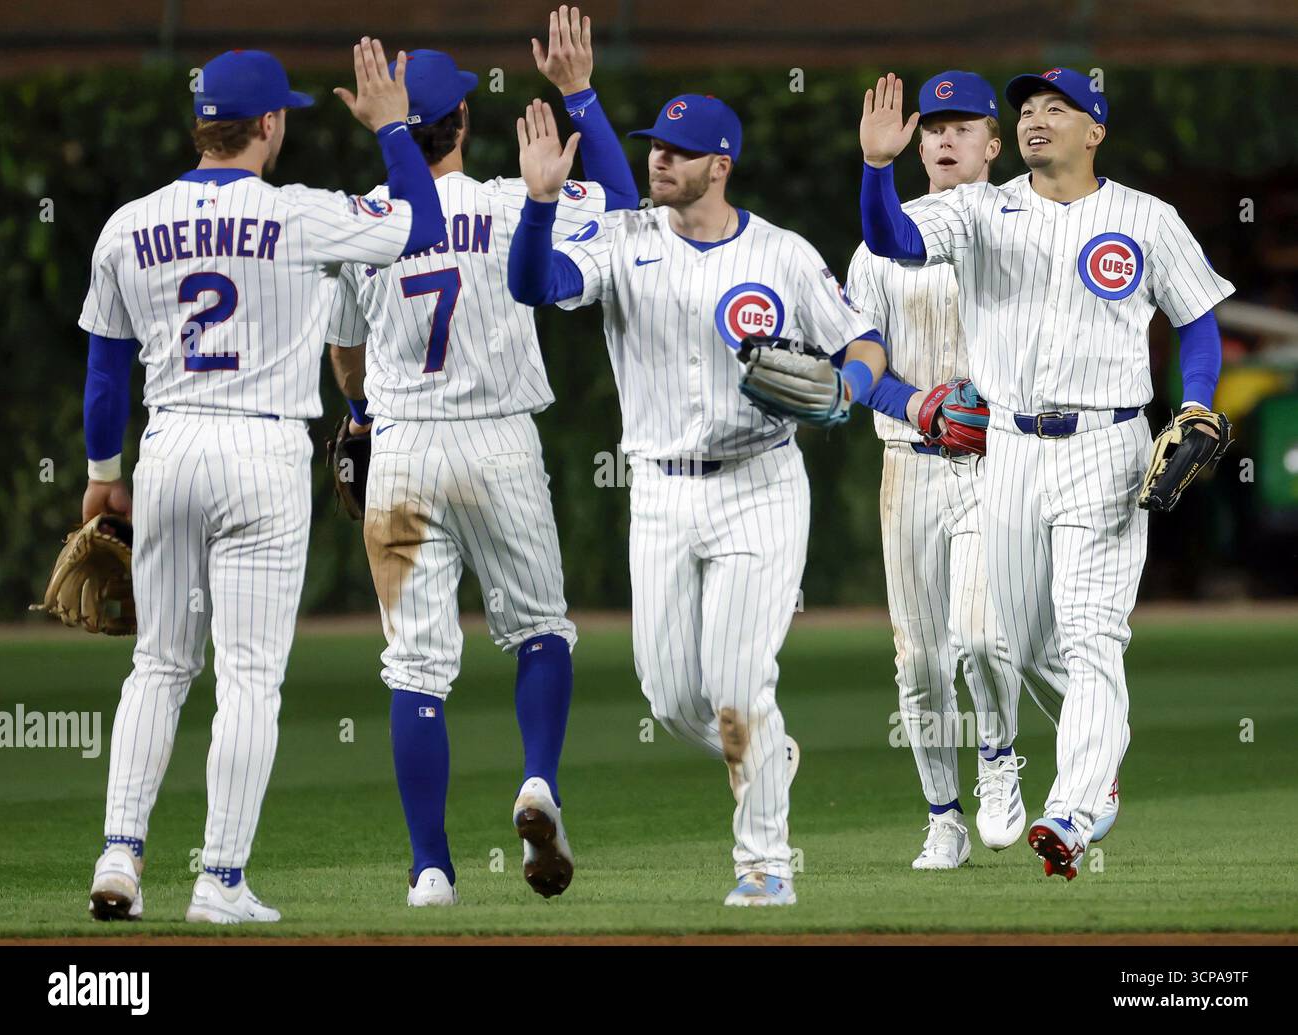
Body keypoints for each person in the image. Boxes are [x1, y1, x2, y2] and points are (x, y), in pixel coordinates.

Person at [82, 40, 447, 922]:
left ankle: (120, 858)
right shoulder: (301, 214)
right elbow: (424, 228)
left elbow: (102, 377)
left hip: (167, 446)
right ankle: (220, 880)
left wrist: (102, 479)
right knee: (247, 675)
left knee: (159, 663)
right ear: (271, 124)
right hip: (263, 452)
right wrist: (395, 128)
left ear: (200, 125)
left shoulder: (128, 224)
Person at [509, 93, 888, 905]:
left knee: (740, 687)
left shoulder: (782, 254)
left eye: (679, 151)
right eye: (654, 147)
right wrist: (540, 205)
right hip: (659, 492)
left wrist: (850, 387)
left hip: (759, 484)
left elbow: (863, 337)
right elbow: (534, 285)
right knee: (671, 694)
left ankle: (765, 864)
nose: (659, 160)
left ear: (721, 164)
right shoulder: (623, 240)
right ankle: (769, 756)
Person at [858, 68, 1233, 878]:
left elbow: (1198, 315)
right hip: (1012, 446)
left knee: (1094, 631)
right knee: (1015, 642)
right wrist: (879, 168)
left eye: (1055, 109)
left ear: (1094, 130)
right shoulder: (979, 209)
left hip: (1107, 441)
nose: (1034, 120)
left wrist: (1196, 402)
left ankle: (1072, 807)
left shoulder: (1144, 219)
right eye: (1026, 109)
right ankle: (1099, 764)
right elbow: (894, 241)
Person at [325, 8, 638, 906]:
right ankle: (538, 776)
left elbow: (345, 350)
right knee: (541, 631)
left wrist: (356, 417)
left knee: (416, 669)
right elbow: (623, 210)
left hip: (405, 450)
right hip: (501, 442)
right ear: (462, 123)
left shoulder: (365, 221)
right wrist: (578, 96)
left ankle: (430, 869)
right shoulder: (512, 201)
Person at [847, 71, 1033, 870]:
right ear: (917, 142)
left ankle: (998, 762)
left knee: (985, 638)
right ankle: (942, 817)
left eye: (966, 126)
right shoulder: (878, 245)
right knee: (920, 662)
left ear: (996, 144)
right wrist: (913, 402)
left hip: (998, 465)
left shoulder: (1027, 228)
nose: (947, 139)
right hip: (910, 464)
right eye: (936, 127)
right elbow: (859, 361)